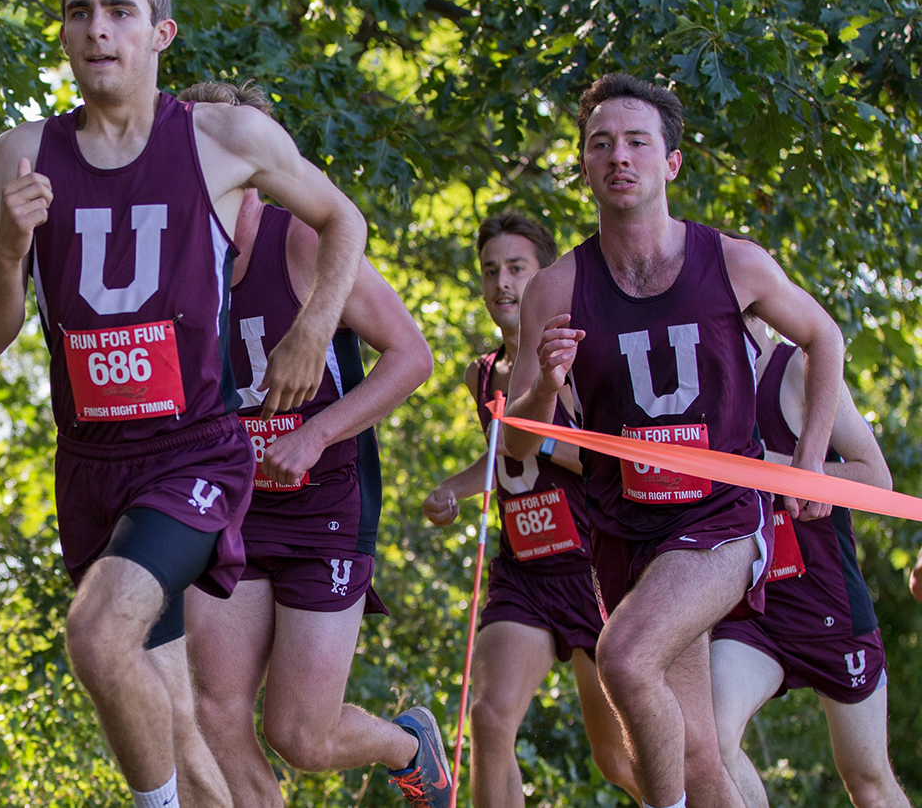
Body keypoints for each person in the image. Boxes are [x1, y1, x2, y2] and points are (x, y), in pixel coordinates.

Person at [0, 0, 450, 808]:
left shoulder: (225, 140)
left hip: (192, 456)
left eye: (118, 12)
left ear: (161, 33)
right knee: (190, 723)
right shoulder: (22, 156)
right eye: (79, 13)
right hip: (88, 463)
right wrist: (8, 250)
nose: (97, 30)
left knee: (101, 640)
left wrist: (310, 332)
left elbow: (344, 218)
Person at [504, 73, 846, 808]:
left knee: (624, 659)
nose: (618, 156)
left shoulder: (733, 262)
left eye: (636, 142)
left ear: (671, 163)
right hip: (624, 531)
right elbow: (521, 443)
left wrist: (811, 459)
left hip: (721, 517)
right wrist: (543, 386)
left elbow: (824, 336)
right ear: (586, 164)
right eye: (601, 144)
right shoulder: (556, 289)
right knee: (694, 751)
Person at [174, 81, 447, 808]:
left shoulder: (302, 243)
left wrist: (317, 431)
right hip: (225, 510)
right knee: (212, 712)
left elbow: (411, 356)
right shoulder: (171, 261)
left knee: (301, 736)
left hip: (322, 506)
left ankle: (409, 746)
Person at [422, 211, 637, 807]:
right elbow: (503, 460)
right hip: (525, 571)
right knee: (489, 720)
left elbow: (613, 461)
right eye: (490, 271)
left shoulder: (583, 363)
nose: (502, 284)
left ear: (545, 278)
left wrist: (537, 432)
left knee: (617, 758)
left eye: (517, 268)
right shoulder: (483, 373)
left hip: (593, 568)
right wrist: (452, 488)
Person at [711, 308, 912, 808]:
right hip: (753, 613)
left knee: (868, 783)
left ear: (763, 317)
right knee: (709, 741)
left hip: (830, 609)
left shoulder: (797, 371)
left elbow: (877, 479)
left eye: (737, 317)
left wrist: (768, 465)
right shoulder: (702, 395)